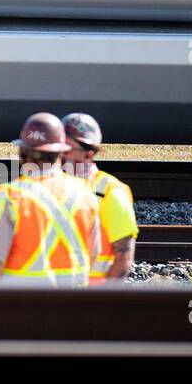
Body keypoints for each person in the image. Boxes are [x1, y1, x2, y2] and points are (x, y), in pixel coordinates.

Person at [0, 112, 99, 286]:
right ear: (61, 152)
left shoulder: (7, 197)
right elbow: (93, 254)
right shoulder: (84, 193)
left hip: (23, 307)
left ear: (23, 152)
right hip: (73, 307)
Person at [61, 112, 138, 282]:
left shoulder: (110, 191)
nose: (60, 154)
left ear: (88, 153)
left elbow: (123, 259)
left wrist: (100, 301)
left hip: (91, 297)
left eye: (66, 148)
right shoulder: (47, 187)